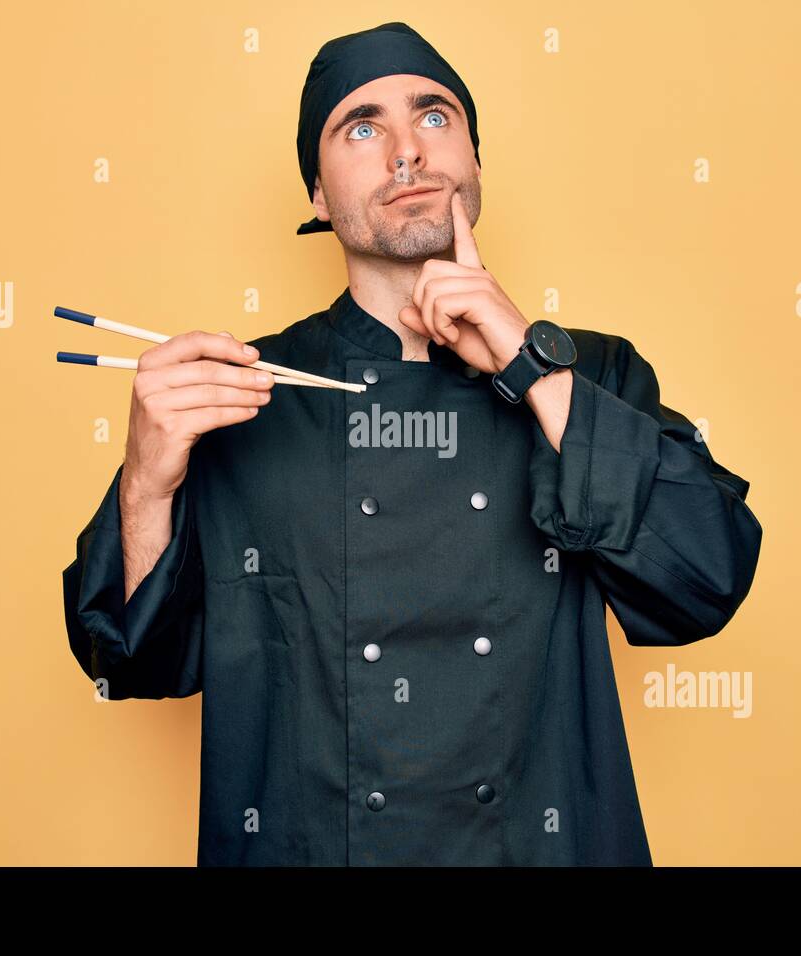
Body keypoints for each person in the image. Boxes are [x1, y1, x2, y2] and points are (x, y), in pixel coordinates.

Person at [61, 21, 763, 866]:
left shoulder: (594, 373)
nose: (406, 152)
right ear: (318, 195)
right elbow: (134, 664)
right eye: (361, 127)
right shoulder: (243, 391)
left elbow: (709, 578)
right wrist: (147, 481)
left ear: (472, 162)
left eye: (435, 117)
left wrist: (531, 368)